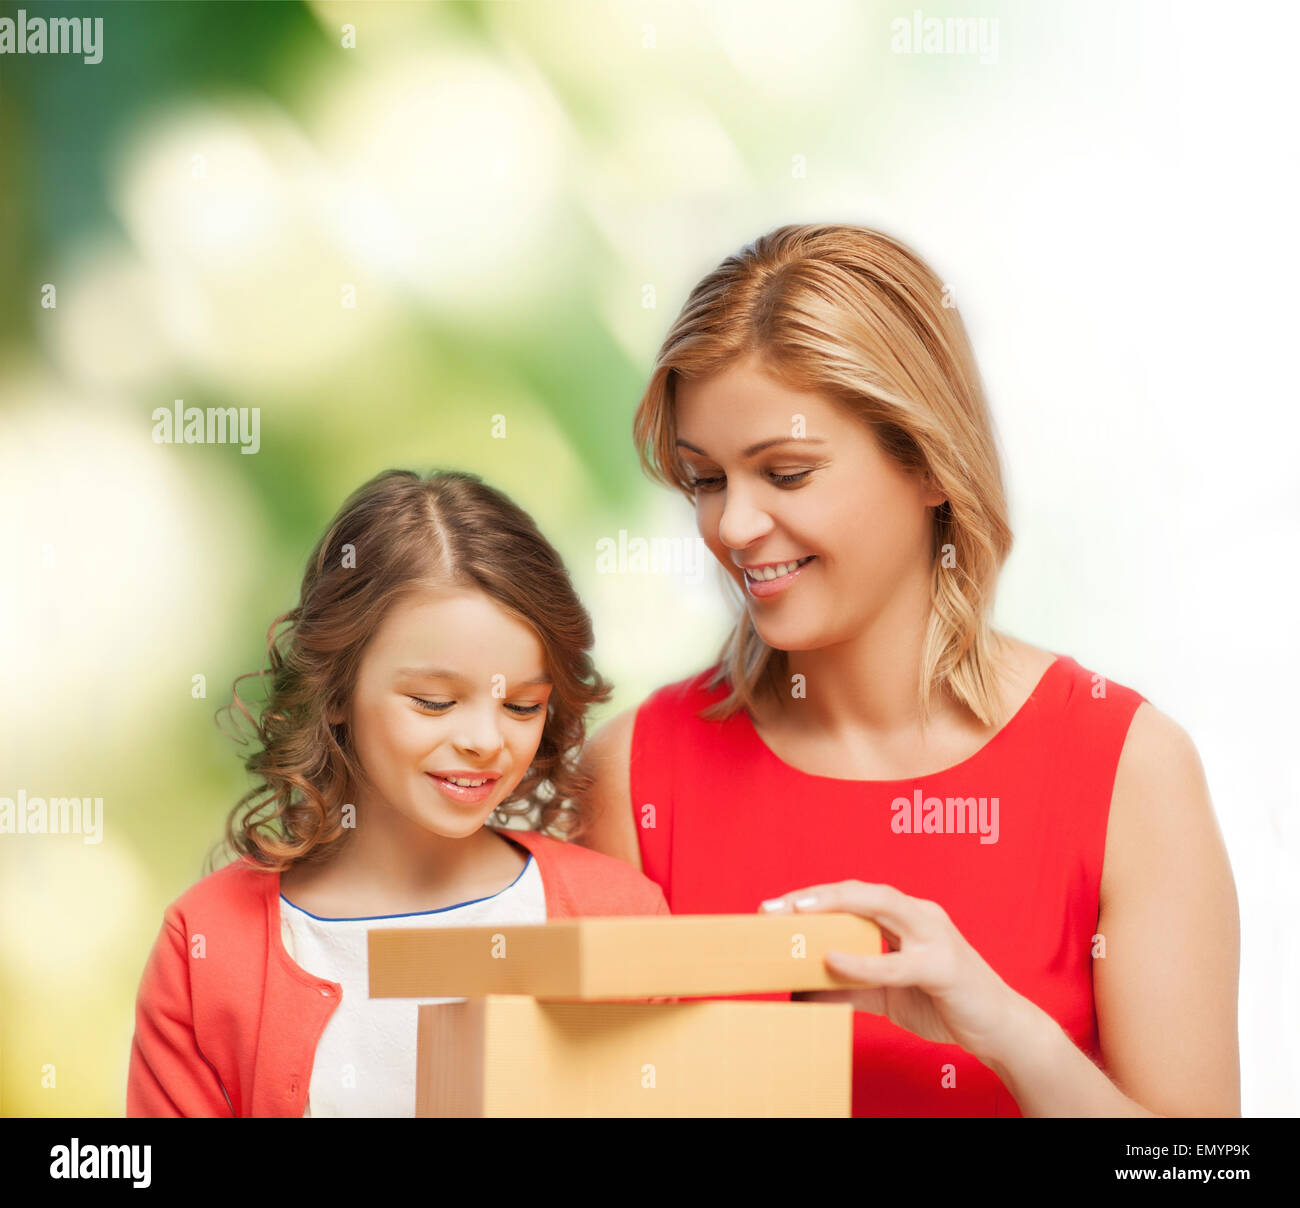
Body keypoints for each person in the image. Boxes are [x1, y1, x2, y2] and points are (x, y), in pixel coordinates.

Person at [574, 223, 1240, 1117]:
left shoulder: (1126, 770)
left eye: (787, 473)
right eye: (706, 481)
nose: (733, 528)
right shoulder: (634, 774)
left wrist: (1004, 1032)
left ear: (928, 463)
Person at [126, 469, 668, 1118]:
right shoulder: (209, 943)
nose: (485, 740)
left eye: (522, 706)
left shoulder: (618, 914)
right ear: (336, 692)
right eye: (435, 702)